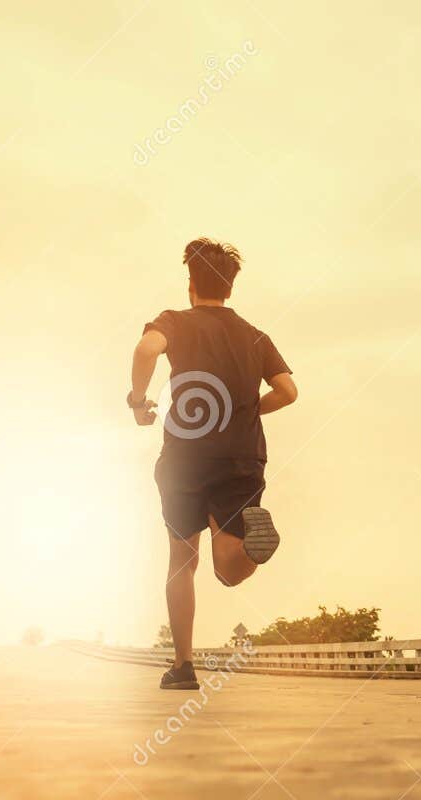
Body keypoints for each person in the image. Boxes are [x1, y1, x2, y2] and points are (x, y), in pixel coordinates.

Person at [128, 238, 299, 690]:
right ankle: (249, 548)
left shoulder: (174, 323)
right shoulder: (255, 336)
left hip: (185, 458)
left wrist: (138, 401)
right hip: (241, 457)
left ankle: (183, 667)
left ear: (191, 285)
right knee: (228, 566)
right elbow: (288, 392)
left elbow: (146, 351)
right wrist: (246, 409)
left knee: (182, 561)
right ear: (230, 287)